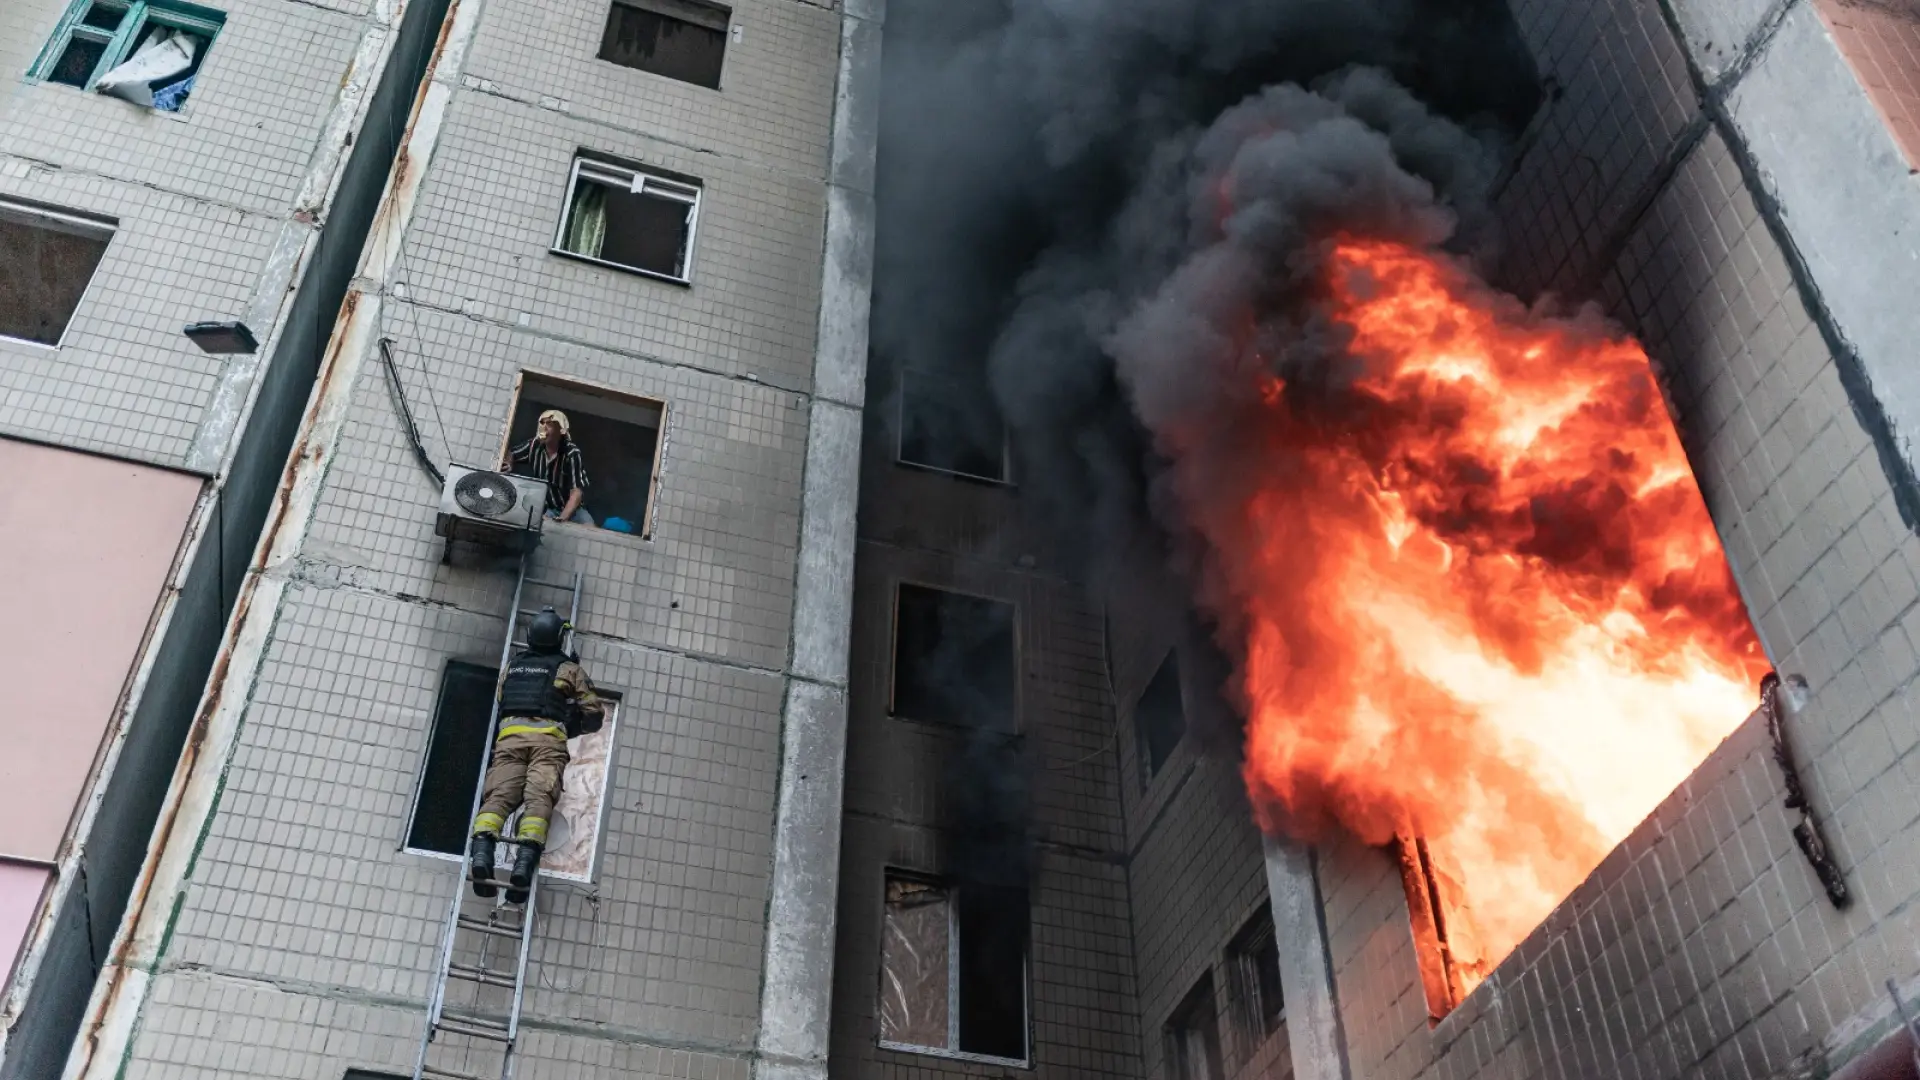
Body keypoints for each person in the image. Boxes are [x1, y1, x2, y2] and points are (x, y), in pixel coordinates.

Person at [468, 607, 604, 901]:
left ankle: (481, 857)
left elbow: (502, 699)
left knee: (497, 799)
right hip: (547, 745)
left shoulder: (512, 667)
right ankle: (523, 867)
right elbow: (594, 713)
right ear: (559, 638)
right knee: (539, 800)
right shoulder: (568, 669)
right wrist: (571, 724)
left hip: (509, 743)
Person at [502, 409, 595, 527]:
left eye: (549, 424)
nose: (544, 428)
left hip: (574, 510)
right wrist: (509, 463)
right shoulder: (534, 445)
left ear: (560, 430)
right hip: (549, 509)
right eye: (542, 423)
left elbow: (576, 492)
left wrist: (563, 518)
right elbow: (512, 453)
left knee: (590, 529)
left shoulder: (571, 453)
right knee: (539, 528)